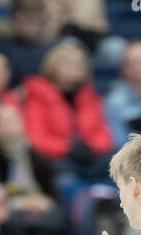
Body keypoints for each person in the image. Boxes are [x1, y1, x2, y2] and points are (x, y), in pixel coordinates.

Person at [21, 41, 113, 174]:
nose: (78, 66)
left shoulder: (89, 95)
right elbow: (36, 137)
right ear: (53, 66)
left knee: (115, 161)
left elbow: (103, 133)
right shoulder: (38, 95)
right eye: (70, 62)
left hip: (90, 156)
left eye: (81, 62)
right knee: (59, 169)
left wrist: (91, 147)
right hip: (57, 159)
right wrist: (67, 149)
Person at [0, 101, 62, 234]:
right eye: (5, 121)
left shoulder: (36, 154)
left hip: (37, 206)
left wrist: (45, 201)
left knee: (56, 217)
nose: (11, 125)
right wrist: (20, 203)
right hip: (6, 209)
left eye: (14, 120)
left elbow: (52, 192)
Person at [0, 0, 57, 86]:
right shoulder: (0, 46)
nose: (32, 24)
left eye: (37, 19)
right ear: (15, 19)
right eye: (27, 18)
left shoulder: (52, 48)